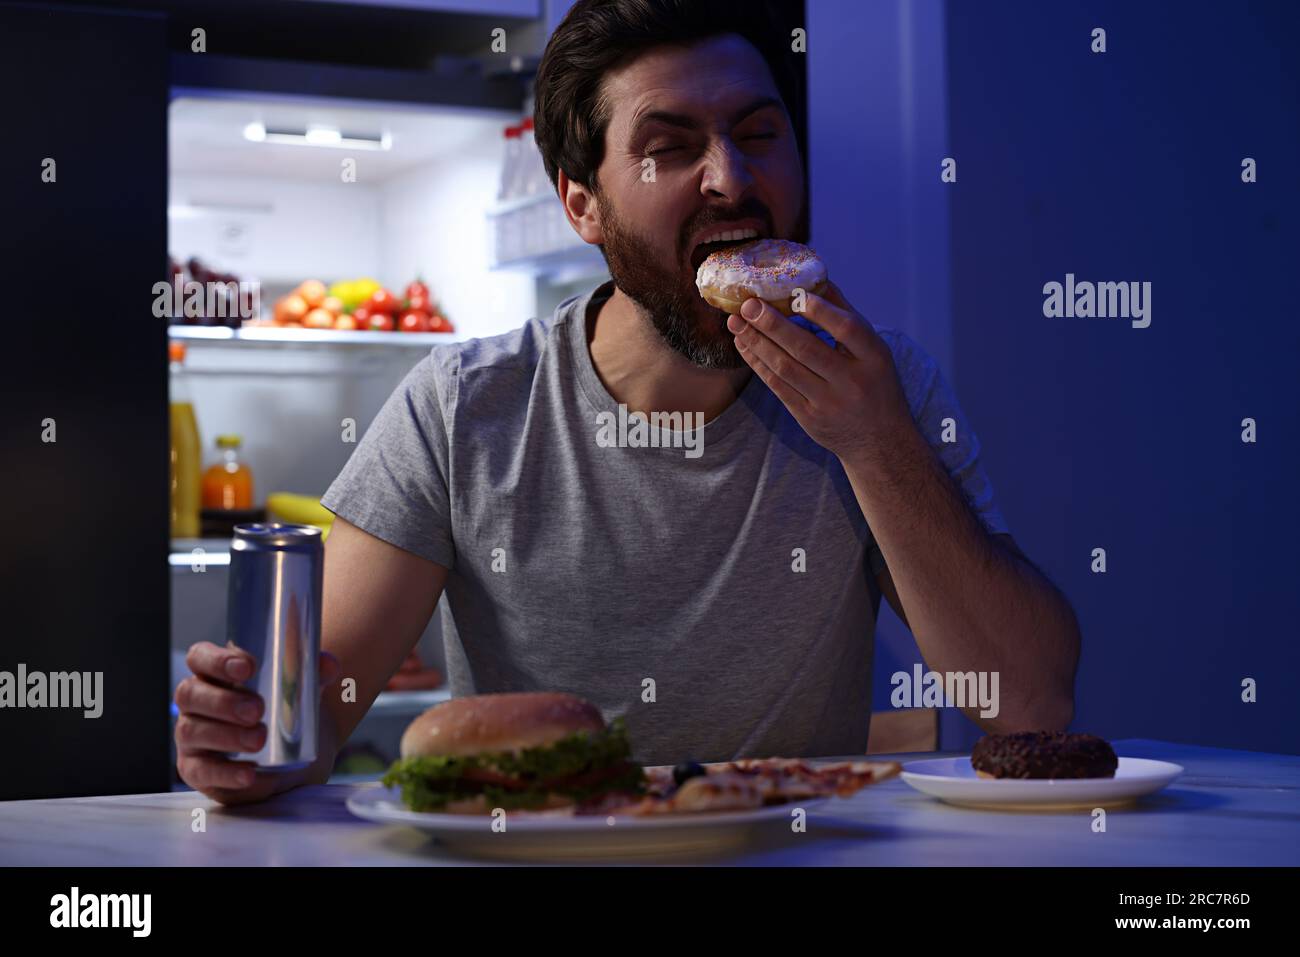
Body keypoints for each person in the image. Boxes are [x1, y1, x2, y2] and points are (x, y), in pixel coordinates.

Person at [175, 0, 1080, 805]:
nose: (730, 179)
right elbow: (308, 724)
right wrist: (245, 740)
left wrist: (876, 442)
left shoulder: (881, 389)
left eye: (759, 133)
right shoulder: (463, 410)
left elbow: (1029, 701)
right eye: (670, 147)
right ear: (584, 206)